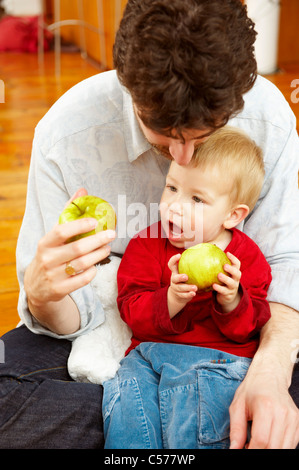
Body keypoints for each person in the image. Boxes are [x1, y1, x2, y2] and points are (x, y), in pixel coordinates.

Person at [0, 0, 298, 449]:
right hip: (126, 349)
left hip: (232, 355)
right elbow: (90, 313)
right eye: (163, 134)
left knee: (276, 410)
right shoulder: (66, 133)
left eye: (203, 135)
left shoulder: (267, 119)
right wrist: (43, 296)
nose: (181, 160)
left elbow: (280, 271)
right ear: (127, 86)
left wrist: (271, 377)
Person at [102, 126, 272, 449]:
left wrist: (231, 299)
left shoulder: (245, 259)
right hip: (146, 360)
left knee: (204, 421)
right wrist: (168, 300)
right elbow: (130, 307)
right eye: (172, 187)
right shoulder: (147, 245)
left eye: (196, 198)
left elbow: (253, 326)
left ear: (232, 215)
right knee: (125, 403)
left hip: (216, 362)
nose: (175, 206)